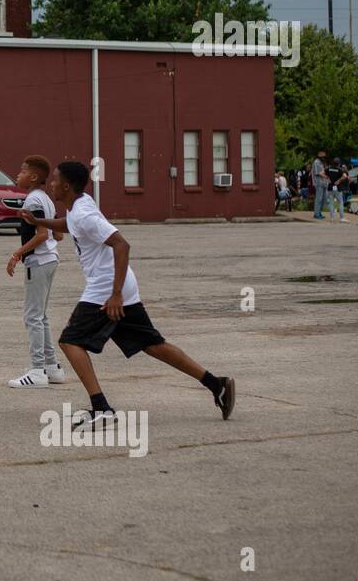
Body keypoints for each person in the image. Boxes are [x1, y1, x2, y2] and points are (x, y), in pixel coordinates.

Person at [16, 160, 235, 428]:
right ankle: (217, 384)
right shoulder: (79, 205)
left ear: (66, 185)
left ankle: (101, 409)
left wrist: (115, 294)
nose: (50, 184)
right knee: (153, 345)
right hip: (119, 285)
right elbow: (69, 223)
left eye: (55, 180)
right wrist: (40, 221)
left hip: (108, 287)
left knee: (70, 341)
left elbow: (121, 244)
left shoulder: (85, 214)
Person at [4, 155, 66, 388]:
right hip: (50, 260)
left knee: (33, 317)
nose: (18, 175)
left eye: (21, 171)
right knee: (41, 316)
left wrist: (16, 254)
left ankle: (37, 371)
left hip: (39, 262)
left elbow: (41, 235)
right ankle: (52, 368)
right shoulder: (45, 199)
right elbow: (57, 234)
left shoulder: (33, 201)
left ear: (33, 176)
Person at [325, 157, 348, 223]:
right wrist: (339, 180)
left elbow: (321, 173)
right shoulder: (339, 169)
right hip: (337, 188)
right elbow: (345, 176)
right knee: (340, 202)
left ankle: (332, 218)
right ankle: (342, 217)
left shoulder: (328, 169)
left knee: (331, 203)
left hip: (330, 188)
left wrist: (327, 178)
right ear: (338, 163)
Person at [311, 151, 328, 220]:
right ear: (319, 156)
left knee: (324, 199)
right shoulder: (316, 162)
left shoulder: (322, 163)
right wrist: (326, 176)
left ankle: (319, 212)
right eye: (323, 156)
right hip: (318, 183)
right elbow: (317, 173)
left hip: (324, 183)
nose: (324, 158)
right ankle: (316, 214)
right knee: (319, 198)